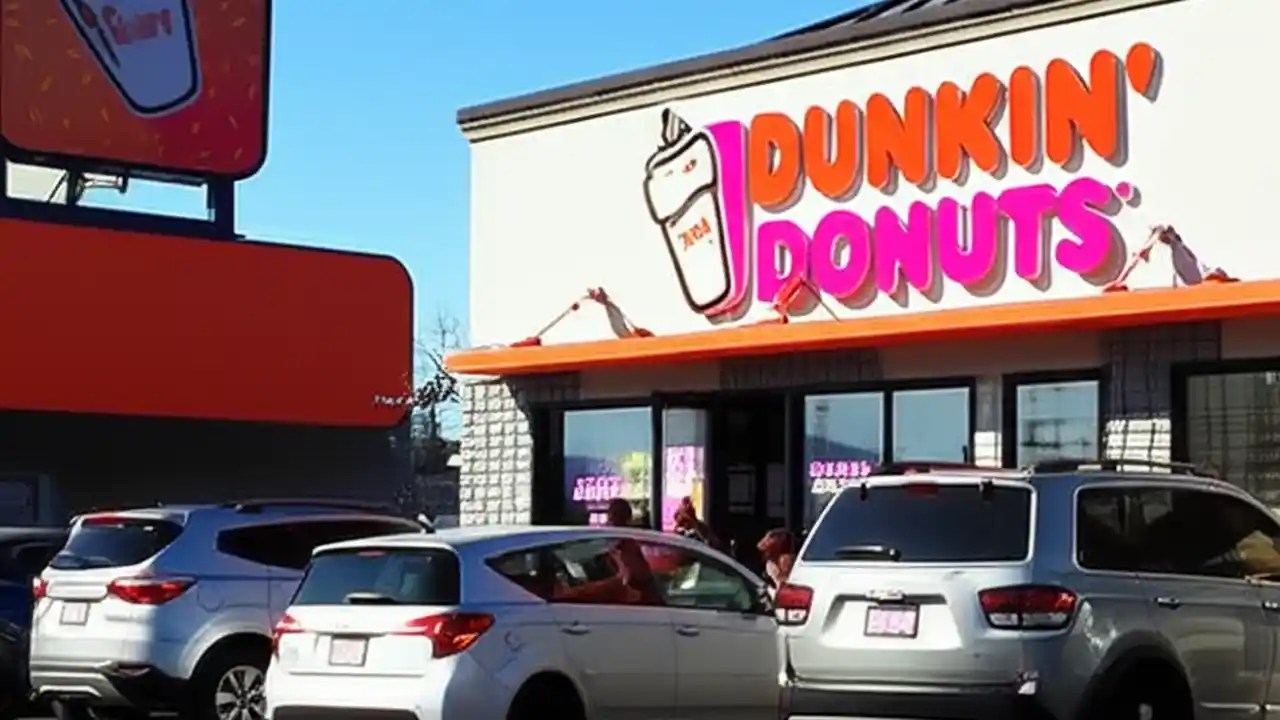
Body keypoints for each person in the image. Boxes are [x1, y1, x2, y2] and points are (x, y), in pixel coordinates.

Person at [556, 499, 661, 605]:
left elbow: (635, 577)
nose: (610, 519)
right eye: (612, 515)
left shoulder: (624, 543)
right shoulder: (606, 542)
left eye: (615, 515)